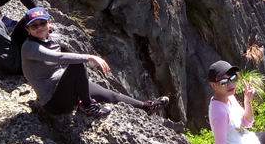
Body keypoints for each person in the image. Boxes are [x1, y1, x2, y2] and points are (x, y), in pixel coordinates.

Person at [20, 7, 169, 117]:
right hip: (54, 102)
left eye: (42, 23)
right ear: (28, 29)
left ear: (48, 23)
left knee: (110, 95)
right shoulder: (30, 48)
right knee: (77, 64)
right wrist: (89, 57)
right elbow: (56, 58)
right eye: (34, 25)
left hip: (64, 87)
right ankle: (87, 105)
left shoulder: (50, 38)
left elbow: (64, 48)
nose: (39, 27)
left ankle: (146, 107)